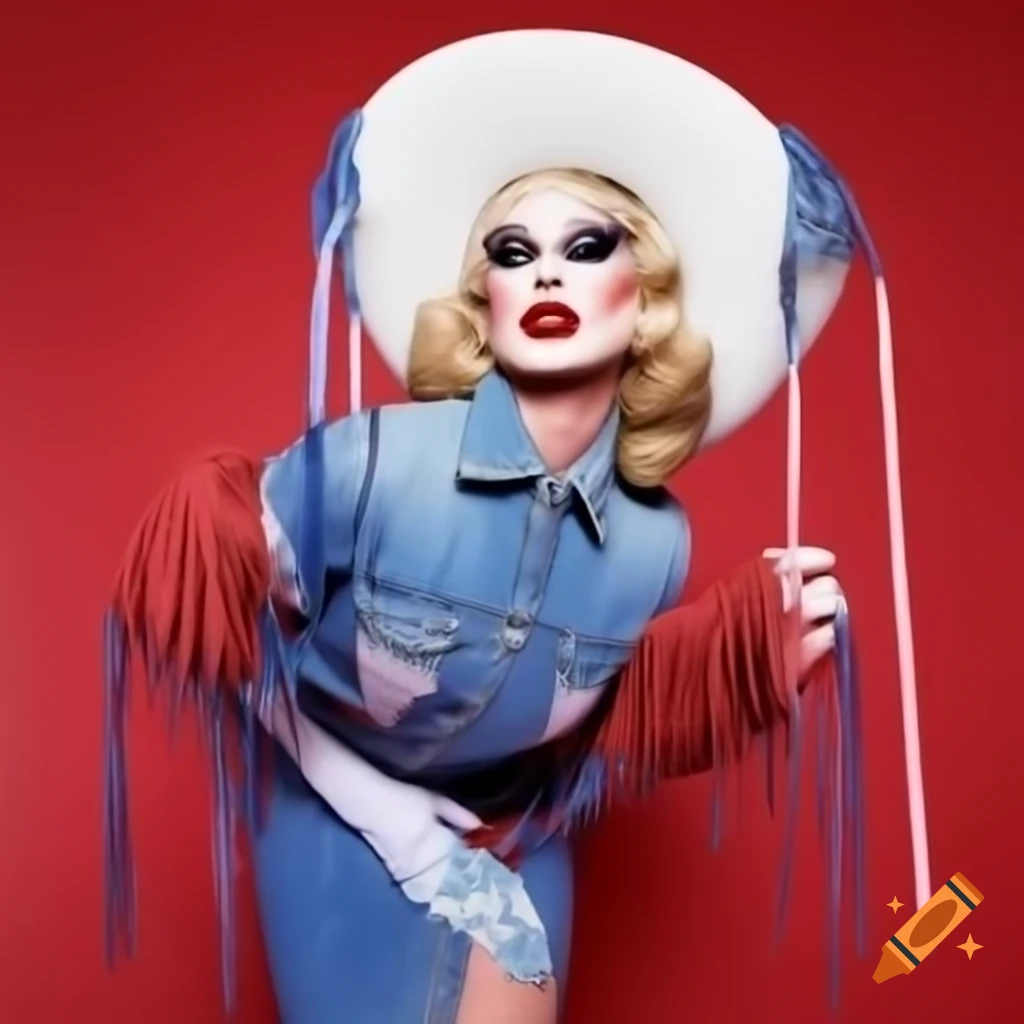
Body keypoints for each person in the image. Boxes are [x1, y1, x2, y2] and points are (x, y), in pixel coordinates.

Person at [102, 29, 878, 1024]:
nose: (546, 273)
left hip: (509, 835)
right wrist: (375, 806)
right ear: (485, 299)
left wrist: (741, 657)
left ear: (644, 303)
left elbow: (601, 733)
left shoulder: (658, 542)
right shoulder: (374, 458)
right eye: (515, 253)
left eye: (586, 246)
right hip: (333, 822)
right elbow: (221, 621)